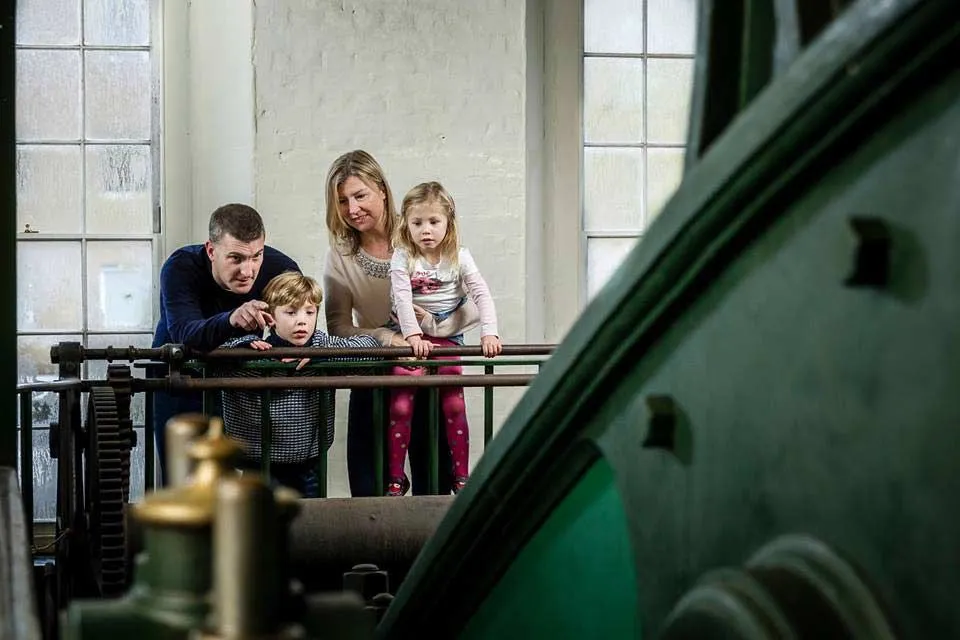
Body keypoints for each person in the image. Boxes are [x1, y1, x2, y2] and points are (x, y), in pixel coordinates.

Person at [323, 150, 479, 496]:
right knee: (370, 486)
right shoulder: (340, 255)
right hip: (377, 370)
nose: (352, 209)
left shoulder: (418, 229)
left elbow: (466, 296)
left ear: (381, 188)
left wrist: (437, 329)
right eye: (342, 201)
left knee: (434, 482)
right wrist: (384, 337)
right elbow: (338, 327)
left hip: (426, 365)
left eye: (359, 195)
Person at [151, 203, 300, 486]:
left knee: (248, 489)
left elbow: (300, 324)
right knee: (186, 484)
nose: (249, 270)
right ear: (211, 251)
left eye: (256, 256)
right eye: (236, 258)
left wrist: (301, 349)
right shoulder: (180, 267)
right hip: (183, 383)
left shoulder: (281, 269)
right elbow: (185, 332)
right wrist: (231, 319)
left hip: (242, 386)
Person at [215, 271, 379, 498]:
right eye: (291, 312)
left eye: (310, 312)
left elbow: (371, 348)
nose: (302, 320)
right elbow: (219, 359)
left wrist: (323, 355)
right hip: (258, 464)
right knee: (257, 524)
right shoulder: (256, 351)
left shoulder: (322, 345)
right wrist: (244, 346)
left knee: (310, 523)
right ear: (270, 317)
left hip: (308, 462)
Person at [386, 181, 502, 496]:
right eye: (417, 222)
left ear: (448, 222)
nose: (426, 230)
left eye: (434, 222)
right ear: (406, 225)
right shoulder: (403, 257)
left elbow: (482, 294)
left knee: (452, 403)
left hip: (449, 333)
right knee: (400, 405)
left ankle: (461, 475)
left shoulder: (459, 256)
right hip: (411, 333)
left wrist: (489, 331)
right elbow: (400, 297)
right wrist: (412, 336)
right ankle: (396, 477)